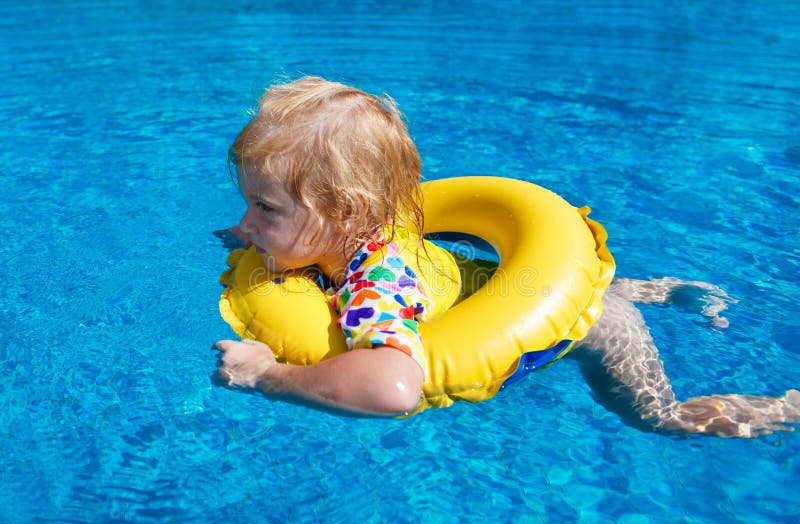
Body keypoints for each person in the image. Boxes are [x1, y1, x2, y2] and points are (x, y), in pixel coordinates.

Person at [214, 76, 799, 438]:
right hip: (504, 285)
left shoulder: (374, 287)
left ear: (345, 212)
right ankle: (663, 289)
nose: (246, 224)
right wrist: (260, 235)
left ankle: (783, 409)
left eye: (265, 209)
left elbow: (391, 389)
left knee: (659, 420)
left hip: (594, 327)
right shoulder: (363, 223)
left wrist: (270, 375)